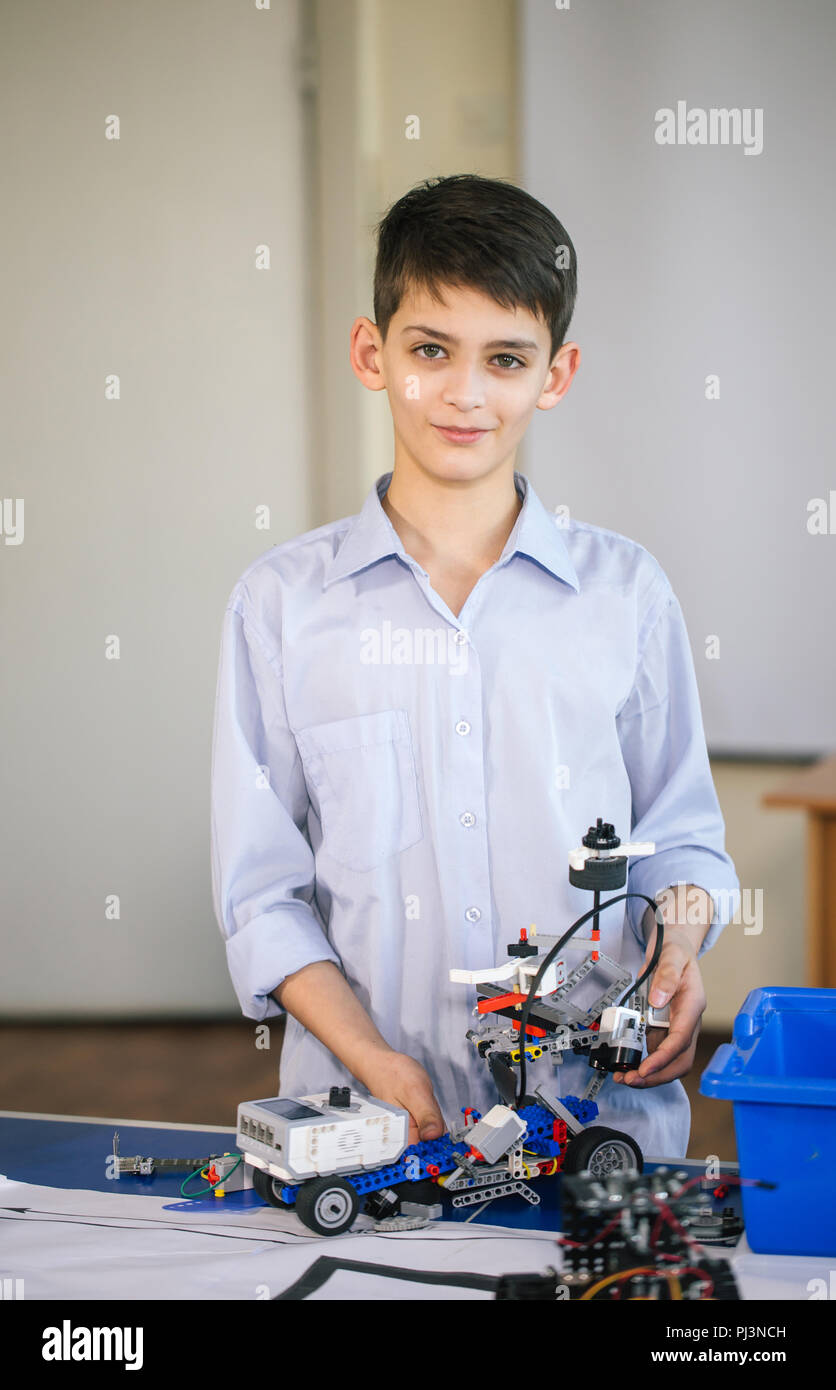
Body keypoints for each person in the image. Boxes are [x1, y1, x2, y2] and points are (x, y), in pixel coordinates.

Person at [210, 173, 740, 1160]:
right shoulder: (282, 604)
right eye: (428, 351)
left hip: (598, 1127)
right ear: (372, 353)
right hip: (365, 1128)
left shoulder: (625, 593)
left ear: (556, 372)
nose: (464, 393)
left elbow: (682, 843)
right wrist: (368, 1053)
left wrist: (676, 946)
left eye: (505, 358)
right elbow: (260, 895)